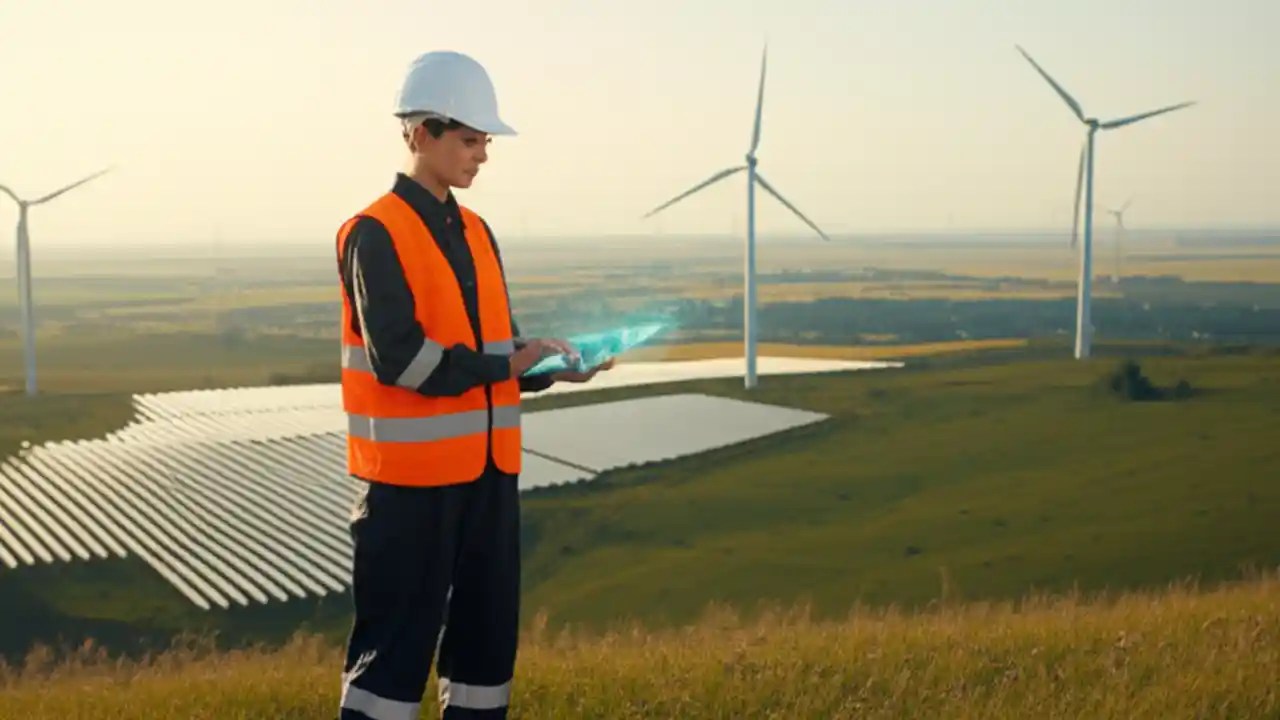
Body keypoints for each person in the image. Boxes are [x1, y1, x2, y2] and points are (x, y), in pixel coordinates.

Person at [334, 50, 612, 720]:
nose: (482, 155)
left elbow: (497, 356)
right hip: (410, 488)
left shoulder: (480, 233)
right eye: (469, 139)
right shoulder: (374, 234)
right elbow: (403, 360)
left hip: (488, 479)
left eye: (485, 141)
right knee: (394, 657)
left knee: (486, 651)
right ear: (419, 132)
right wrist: (507, 366)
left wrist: (552, 367)